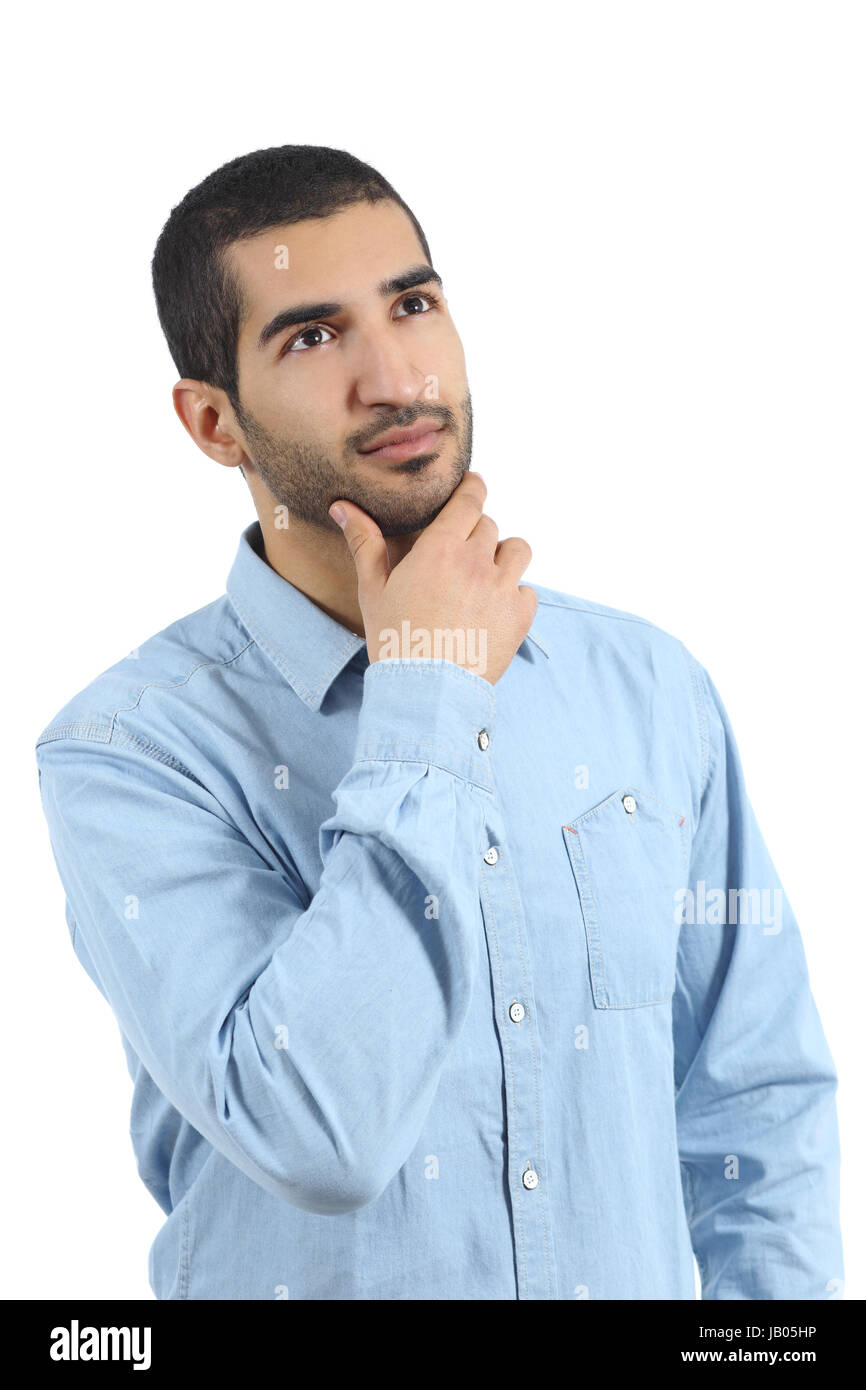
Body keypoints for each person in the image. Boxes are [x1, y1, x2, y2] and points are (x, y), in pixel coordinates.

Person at [35, 144, 843, 1300]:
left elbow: (750, 1107)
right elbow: (319, 1132)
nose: (395, 377)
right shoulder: (128, 750)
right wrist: (426, 694)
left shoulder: (646, 685)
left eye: (412, 305)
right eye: (312, 337)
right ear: (213, 423)